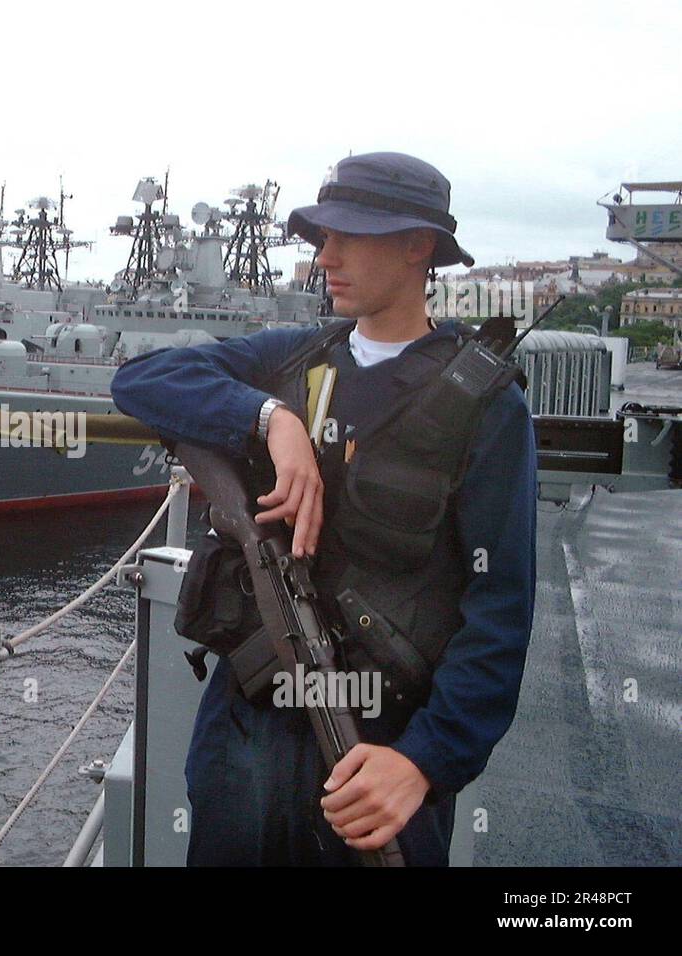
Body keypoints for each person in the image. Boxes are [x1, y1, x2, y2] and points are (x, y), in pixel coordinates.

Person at [110, 152, 537, 866]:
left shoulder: (485, 406)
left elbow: (500, 610)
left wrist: (426, 761)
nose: (324, 257)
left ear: (417, 247)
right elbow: (144, 379)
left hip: (381, 748)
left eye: (349, 236)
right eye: (321, 238)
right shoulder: (297, 357)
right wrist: (269, 416)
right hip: (247, 731)